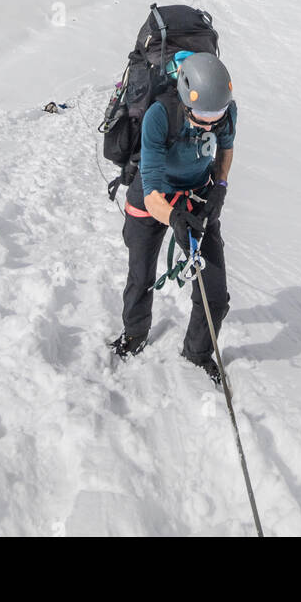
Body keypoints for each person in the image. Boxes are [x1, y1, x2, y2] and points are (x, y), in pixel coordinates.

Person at [110, 52, 236, 383]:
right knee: (141, 273)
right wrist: (176, 219)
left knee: (215, 292)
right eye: (203, 114)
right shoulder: (159, 115)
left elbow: (225, 148)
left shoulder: (225, 111)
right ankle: (134, 333)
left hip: (198, 196)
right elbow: (151, 191)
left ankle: (198, 353)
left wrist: (220, 185)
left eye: (218, 114)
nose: (211, 122)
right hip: (153, 198)